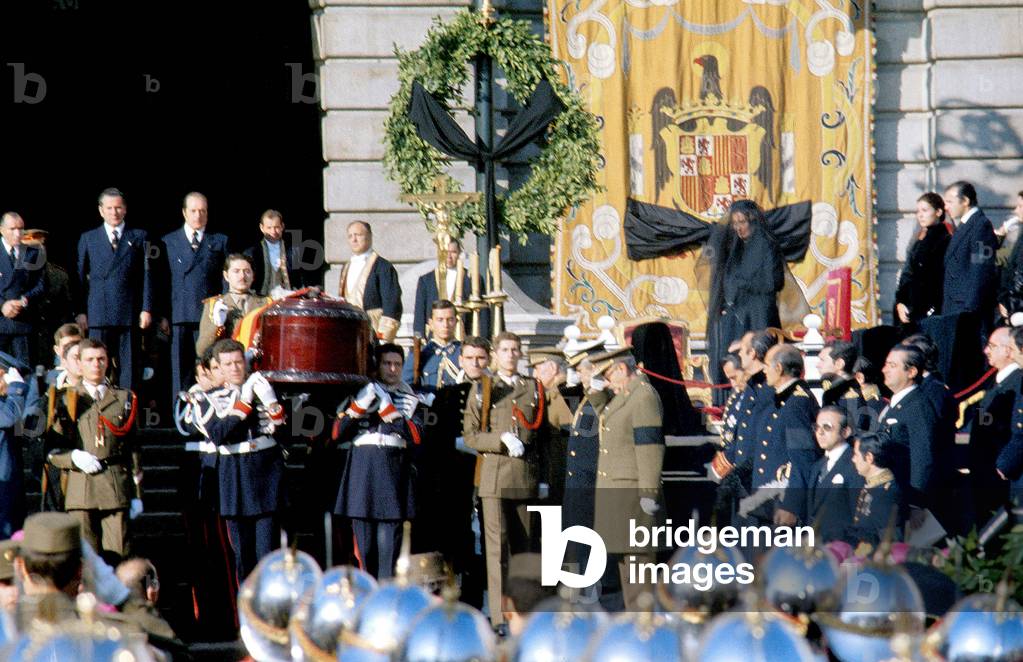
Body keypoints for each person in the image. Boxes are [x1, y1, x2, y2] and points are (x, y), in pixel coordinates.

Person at [463, 331, 547, 629]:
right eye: (506, 350)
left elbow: (543, 437)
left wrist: (544, 477)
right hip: (495, 478)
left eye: (515, 350)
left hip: (524, 476)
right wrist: (499, 439)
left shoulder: (533, 388)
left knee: (524, 550)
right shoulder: (483, 389)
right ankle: (499, 616)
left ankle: (523, 614)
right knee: (496, 550)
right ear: (495, 355)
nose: (511, 355)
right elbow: (471, 435)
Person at [188, 338, 285, 583]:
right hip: (234, 472)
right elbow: (218, 434)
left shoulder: (264, 387)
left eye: (238, 362)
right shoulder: (206, 398)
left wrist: (272, 403)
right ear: (219, 368)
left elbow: (288, 431)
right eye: (228, 364)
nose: (234, 368)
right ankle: (246, 615)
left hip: (265, 469)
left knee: (268, 552)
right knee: (243, 553)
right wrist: (244, 402)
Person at [45, 339, 142, 561]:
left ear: (108, 362)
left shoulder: (123, 398)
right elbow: (52, 450)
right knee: (87, 559)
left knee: (120, 555)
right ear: (79, 363)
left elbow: (133, 448)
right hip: (82, 488)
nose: (96, 364)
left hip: (115, 485)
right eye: (90, 359)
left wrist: (137, 494)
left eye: (101, 359)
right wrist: (74, 457)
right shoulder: (66, 398)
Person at [334, 343, 421, 579]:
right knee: (365, 552)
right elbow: (337, 433)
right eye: (387, 363)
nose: (392, 369)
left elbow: (416, 436)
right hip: (363, 475)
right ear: (377, 366)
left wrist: (388, 410)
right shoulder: (359, 394)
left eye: (397, 364)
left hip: (393, 478)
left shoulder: (410, 398)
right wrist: (360, 405)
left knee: (390, 556)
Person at [590, 346, 664, 610]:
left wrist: (648, 492)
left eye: (609, 376)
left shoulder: (643, 396)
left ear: (621, 369)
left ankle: (643, 627)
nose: (609, 383)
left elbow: (649, 447)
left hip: (634, 495)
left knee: (639, 569)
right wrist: (597, 390)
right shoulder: (626, 395)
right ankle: (636, 623)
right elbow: (604, 417)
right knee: (627, 567)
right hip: (620, 495)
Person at [75, 188, 154, 390]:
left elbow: (147, 275)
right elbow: (79, 279)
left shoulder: (139, 236)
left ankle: (128, 413)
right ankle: (97, 413)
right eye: (109, 208)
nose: (114, 212)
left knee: (129, 367)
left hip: (128, 313)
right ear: (101, 210)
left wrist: (146, 308)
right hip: (98, 313)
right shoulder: (88, 238)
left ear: (125, 209)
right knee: (96, 364)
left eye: (118, 207)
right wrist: (81, 311)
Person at [705, 201, 786, 393]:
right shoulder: (735, 248)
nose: (738, 228)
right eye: (735, 223)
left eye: (742, 222)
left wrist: (744, 283)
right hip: (735, 315)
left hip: (758, 315)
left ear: (753, 221)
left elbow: (774, 282)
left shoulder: (766, 245)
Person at [160, 191, 230, 401]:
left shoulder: (219, 241)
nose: (198, 215)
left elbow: (226, 280)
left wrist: (223, 310)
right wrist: (162, 315)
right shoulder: (168, 242)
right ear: (184, 213)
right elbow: (162, 282)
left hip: (208, 317)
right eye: (193, 211)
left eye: (203, 211)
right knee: (180, 368)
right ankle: (180, 414)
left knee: (208, 365)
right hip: (179, 314)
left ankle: (212, 408)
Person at [879, 343, 952, 533]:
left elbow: (923, 456)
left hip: (908, 498)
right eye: (886, 364)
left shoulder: (917, 405)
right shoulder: (899, 403)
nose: (884, 370)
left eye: (892, 365)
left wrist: (916, 503)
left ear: (911, 371)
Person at [745, 343, 819, 524]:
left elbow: (802, 459)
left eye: (767, 364)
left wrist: (791, 505)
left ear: (778, 368)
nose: (763, 370)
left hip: (783, 503)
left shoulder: (796, 403)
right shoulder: (782, 398)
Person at [776, 406, 863, 542]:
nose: (820, 432)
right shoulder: (818, 466)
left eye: (827, 427)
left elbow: (859, 516)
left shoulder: (855, 465)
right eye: (817, 427)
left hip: (843, 549)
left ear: (845, 432)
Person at [561, 342, 611, 572]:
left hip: (590, 480)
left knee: (587, 544)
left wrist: (598, 391)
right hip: (578, 481)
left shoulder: (603, 398)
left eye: (583, 370)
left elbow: (595, 429)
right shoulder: (587, 398)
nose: (580, 376)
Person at [966, 326, 1021, 526]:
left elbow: (1016, 432)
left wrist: (1003, 465)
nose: (985, 350)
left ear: (1008, 350)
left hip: (1000, 475)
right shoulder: (997, 382)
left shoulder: (1016, 382)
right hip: (985, 472)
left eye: (991, 346)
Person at [941, 181, 998, 323]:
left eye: (949, 201)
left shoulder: (980, 225)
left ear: (965, 201)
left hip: (967, 310)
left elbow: (981, 270)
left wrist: (970, 310)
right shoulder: (966, 224)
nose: (946, 207)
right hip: (954, 307)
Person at [337, 220, 402, 342]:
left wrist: (384, 338)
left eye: (358, 235)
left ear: (369, 237)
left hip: (373, 333)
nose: (354, 239)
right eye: (350, 236)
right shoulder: (346, 267)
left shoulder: (383, 267)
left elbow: (392, 303)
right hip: (350, 334)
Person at [195, 253, 271, 357]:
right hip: (229, 365)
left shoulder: (267, 303)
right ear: (226, 276)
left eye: (247, 271)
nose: (242, 276)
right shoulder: (213, 305)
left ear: (253, 276)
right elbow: (201, 350)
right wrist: (217, 325)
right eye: (236, 271)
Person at [894, 192, 951, 328]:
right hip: (911, 310)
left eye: (925, 210)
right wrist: (901, 302)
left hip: (930, 312)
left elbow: (939, 280)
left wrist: (930, 310)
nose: (920, 215)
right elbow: (908, 274)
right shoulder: (919, 240)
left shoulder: (945, 241)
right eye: (918, 211)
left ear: (938, 212)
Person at [22, 228, 72, 368]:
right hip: (23, 339)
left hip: (50, 340)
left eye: (41, 246)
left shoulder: (59, 275)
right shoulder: (12, 276)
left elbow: (66, 312)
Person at [0, 212, 44, 366]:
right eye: (12, 229)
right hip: (1, 321)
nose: (17, 233)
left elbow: (41, 286)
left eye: (21, 229)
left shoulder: (33, 253)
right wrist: (3, 305)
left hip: (24, 323)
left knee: (25, 371)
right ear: (2, 230)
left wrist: (24, 300)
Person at [847, 433, 906, 547]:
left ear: (869, 457)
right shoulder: (874, 486)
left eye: (856, 455)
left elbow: (891, 543)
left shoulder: (885, 495)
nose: (853, 459)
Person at [413, 238, 472, 337]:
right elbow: (419, 314)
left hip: (464, 336)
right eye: (445, 252)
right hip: (433, 338)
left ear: (459, 254)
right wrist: (419, 338)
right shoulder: (426, 280)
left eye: (453, 252)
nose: (448, 256)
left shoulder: (470, 279)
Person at [403, 299, 462, 392]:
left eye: (450, 319)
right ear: (431, 323)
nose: (445, 325)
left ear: (456, 322)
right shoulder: (420, 353)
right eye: (440, 320)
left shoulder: (463, 352)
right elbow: (405, 387)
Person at [245, 209, 303, 296]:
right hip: (259, 300)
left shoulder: (293, 251)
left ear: (282, 227)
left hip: (288, 300)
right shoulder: (252, 252)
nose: (273, 232)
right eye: (269, 228)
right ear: (262, 228)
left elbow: (300, 280)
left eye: (277, 227)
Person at [0, 357, 28, 538]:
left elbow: (24, 429)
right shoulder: (11, 403)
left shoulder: (7, 403)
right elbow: (9, 418)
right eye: (4, 377)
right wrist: (17, 389)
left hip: (11, 483)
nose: (6, 383)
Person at [818, 340, 872, 431]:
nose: (818, 365)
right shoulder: (834, 393)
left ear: (839, 364)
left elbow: (856, 433)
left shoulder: (850, 397)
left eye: (822, 360)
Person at [998, 191, 1023, 318]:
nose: (1015, 210)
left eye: (1020, 206)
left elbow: (1019, 276)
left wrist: (1009, 302)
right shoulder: (1017, 232)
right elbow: (1001, 262)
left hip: (1016, 306)